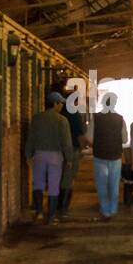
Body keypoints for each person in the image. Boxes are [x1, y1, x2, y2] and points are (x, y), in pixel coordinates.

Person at [25, 90, 73, 225]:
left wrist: (28, 154)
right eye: (61, 103)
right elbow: (66, 142)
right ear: (55, 104)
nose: (62, 106)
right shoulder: (62, 120)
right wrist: (69, 158)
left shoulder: (36, 118)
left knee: (38, 183)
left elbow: (31, 138)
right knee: (53, 186)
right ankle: (51, 217)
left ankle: (39, 212)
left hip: (39, 155)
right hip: (55, 157)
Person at [89, 91, 128, 220]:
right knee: (114, 183)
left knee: (101, 184)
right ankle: (113, 209)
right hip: (115, 155)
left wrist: (97, 143)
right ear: (115, 103)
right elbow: (124, 139)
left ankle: (105, 210)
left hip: (99, 155)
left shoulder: (95, 118)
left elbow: (89, 137)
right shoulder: (120, 118)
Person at [59, 88, 88, 218]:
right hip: (72, 149)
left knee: (59, 177)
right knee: (68, 179)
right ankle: (63, 207)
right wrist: (83, 148)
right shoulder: (74, 114)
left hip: (58, 150)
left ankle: (57, 204)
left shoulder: (61, 112)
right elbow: (80, 135)